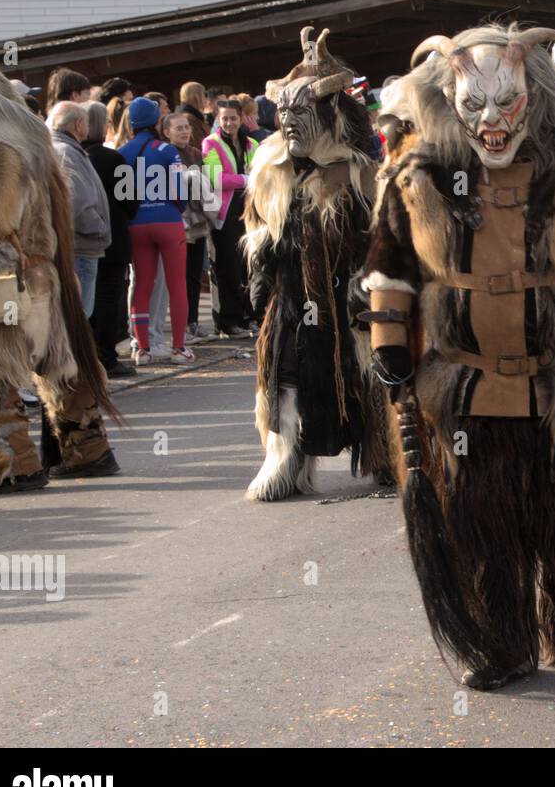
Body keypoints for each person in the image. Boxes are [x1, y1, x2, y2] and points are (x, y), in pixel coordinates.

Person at [362, 23, 555, 689]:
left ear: (536, 93)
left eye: (506, 103)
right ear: (448, 101)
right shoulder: (419, 173)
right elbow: (390, 268)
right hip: (466, 391)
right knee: (481, 525)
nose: (492, 123)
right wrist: (388, 345)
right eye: (473, 107)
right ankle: (501, 644)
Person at [241, 27, 390, 501]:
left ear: (329, 115)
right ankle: (286, 461)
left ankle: (388, 455)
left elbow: (385, 237)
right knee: (285, 371)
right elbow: (259, 235)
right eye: (283, 114)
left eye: (301, 113)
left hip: (351, 294)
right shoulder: (271, 168)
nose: (288, 124)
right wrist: (261, 283)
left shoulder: (361, 171)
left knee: (370, 371)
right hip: (293, 298)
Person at [0, 62, 120, 494]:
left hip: (1, 279)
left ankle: (13, 467)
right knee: (60, 367)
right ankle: (89, 451)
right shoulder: (36, 145)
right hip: (43, 274)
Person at [117, 97, 192, 364]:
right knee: (176, 285)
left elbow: (121, 193)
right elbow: (179, 190)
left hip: (136, 223)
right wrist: (177, 209)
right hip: (168, 222)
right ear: (156, 122)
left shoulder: (122, 152)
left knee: (142, 286)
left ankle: (143, 349)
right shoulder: (166, 150)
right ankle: (179, 348)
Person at [83, 101, 138, 378]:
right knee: (109, 299)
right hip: (113, 238)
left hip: (82, 240)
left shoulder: (75, 157)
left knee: (87, 300)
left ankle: (89, 355)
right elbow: (131, 201)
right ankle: (106, 356)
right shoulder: (114, 159)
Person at [47, 101, 111, 315]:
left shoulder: (64, 149)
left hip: (78, 244)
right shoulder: (67, 152)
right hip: (81, 245)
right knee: (79, 313)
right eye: (86, 122)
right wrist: (98, 228)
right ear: (77, 125)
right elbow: (78, 202)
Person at [202, 98, 258, 337]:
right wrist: (246, 179)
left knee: (248, 266)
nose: (228, 123)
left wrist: (249, 179)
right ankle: (227, 321)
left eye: (233, 118)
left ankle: (248, 316)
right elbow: (216, 178)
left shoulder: (251, 144)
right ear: (218, 118)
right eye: (224, 118)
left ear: (241, 118)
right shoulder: (210, 143)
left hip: (248, 210)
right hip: (223, 213)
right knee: (227, 266)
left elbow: (260, 172)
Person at [161, 112, 215, 345]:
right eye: (178, 128)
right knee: (177, 276)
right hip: (178, 220)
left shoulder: (195, 153)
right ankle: (179, 325)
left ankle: (193, 321)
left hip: (198, 221)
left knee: (194, 274)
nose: (184, 131)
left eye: (186, 127)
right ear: (167, 132)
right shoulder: (166, 154)